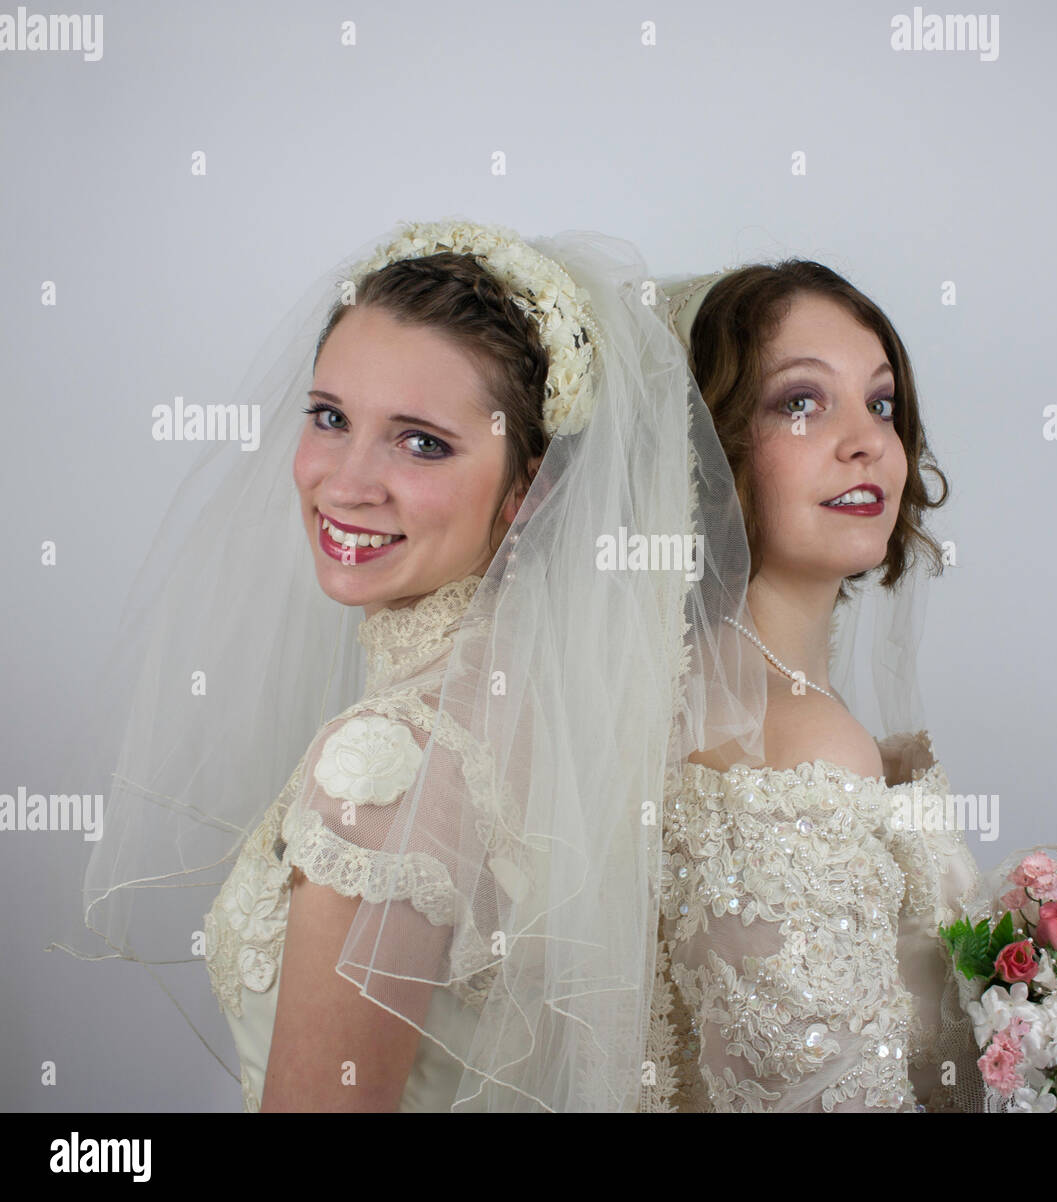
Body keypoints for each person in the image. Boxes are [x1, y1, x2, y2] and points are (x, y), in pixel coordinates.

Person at [48, 219, 765, 1111]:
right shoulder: (559, 707)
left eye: (421, 441)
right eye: (330, 418)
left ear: (527, 490)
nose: (347, 481)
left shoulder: (388, 763)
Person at [641, 261, 990, 1111]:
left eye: (880, 403)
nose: (866, 438)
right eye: (800, 401)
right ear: (707, 446)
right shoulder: (802, 742)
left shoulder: (695, 695)